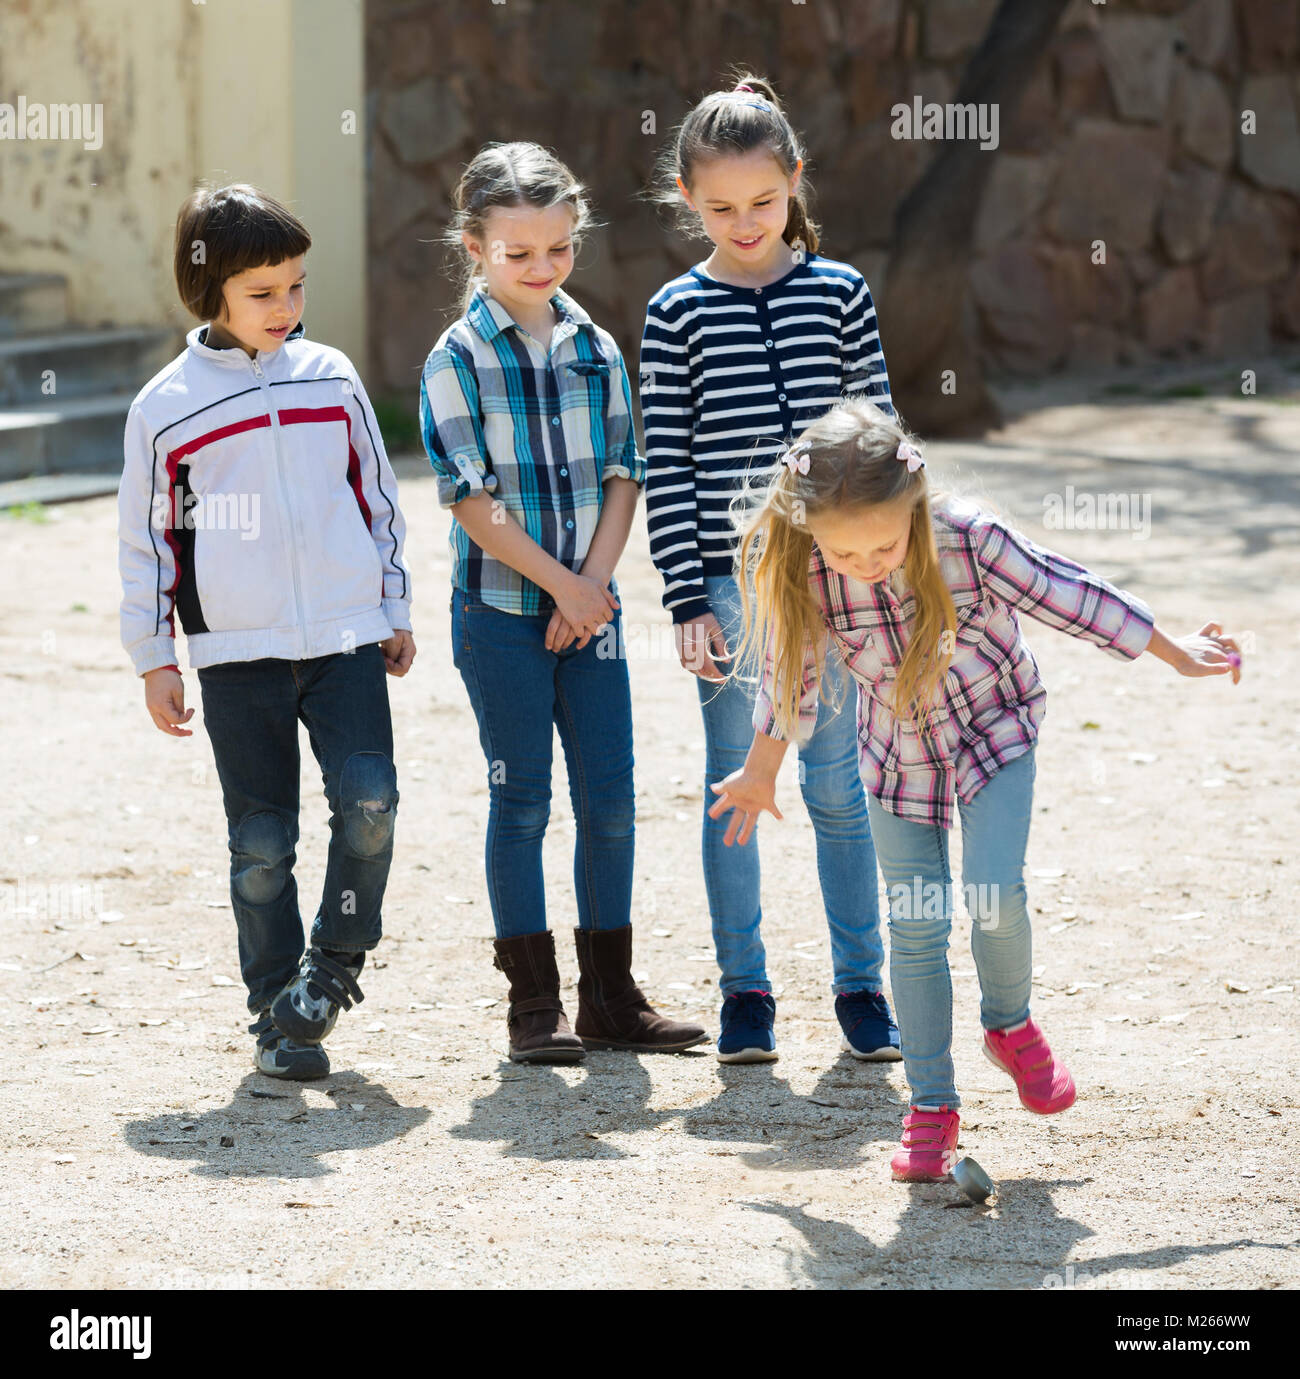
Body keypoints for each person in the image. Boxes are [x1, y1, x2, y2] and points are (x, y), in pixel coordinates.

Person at [708, 396, 1242, 1179]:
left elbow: (1071, 593)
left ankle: (1010, 1024)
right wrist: (760, 771)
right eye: (846, 551)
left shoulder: (968, 536)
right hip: (898, 758)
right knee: (916, 924)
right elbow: (794, 673)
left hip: (996, 729)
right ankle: (931, 1106)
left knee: (994, 892)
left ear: (913, 504)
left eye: (883, 545)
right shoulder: (812, 568)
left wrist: (1173, 650)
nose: (866, 563)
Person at [117, 184, 415, 1080]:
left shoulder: (332, 376)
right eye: (262, 292)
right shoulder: (164, 408)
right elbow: (148, 540)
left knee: (371, 803)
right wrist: (155, 656)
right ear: (207, 291)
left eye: (295, 286)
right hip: (237, 655)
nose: (286, 307)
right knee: (261, 845)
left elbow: (378, 497)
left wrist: (392, 607)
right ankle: (276, 1010)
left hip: (345, 638)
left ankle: (333, 966)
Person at [419, 142, 706, 1064]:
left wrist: (592, 590)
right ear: (474, 247)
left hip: (594, 618)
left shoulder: (596, 346)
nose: (543, 267)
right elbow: (470, 499)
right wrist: (563, 585)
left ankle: (610, 998)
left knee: (611, 800)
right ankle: (533, 1004)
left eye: (559, 247)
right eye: (519, 253)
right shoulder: (455, 359)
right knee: (523, 800)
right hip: (499, 616)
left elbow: (626, 472)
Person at [640, 73, 900, 1064]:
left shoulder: (841, 293)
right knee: (734, 785)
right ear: (686, 198)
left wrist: (887, 566)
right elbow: (667, 463)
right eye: (719, 208)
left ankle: (861, 985)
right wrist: (685, 597)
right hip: (728, 585)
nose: (744, 223)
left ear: (795, 178)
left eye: (762, 200)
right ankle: (744, 990)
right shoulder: (675, 312)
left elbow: (876, 430)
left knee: (837, 786)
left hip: (839, 578)